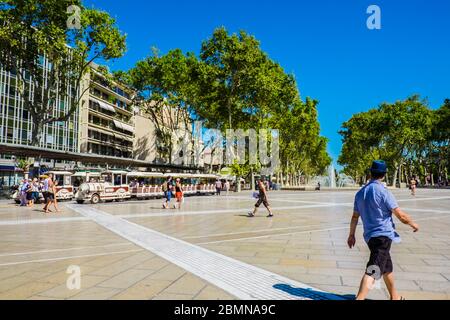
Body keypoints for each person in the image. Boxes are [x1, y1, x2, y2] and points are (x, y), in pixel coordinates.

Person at [348, 160, 419, 300]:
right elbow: (400, 215)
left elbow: (355, 217)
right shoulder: (383, 191)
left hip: (370, 237)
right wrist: (413, 224)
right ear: (384, 175)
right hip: (383, 236)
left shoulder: (360, 193)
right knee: (373, 270)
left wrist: (351, 235)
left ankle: (395, 297)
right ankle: (360, 298)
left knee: (386, 267)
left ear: (371, 173)